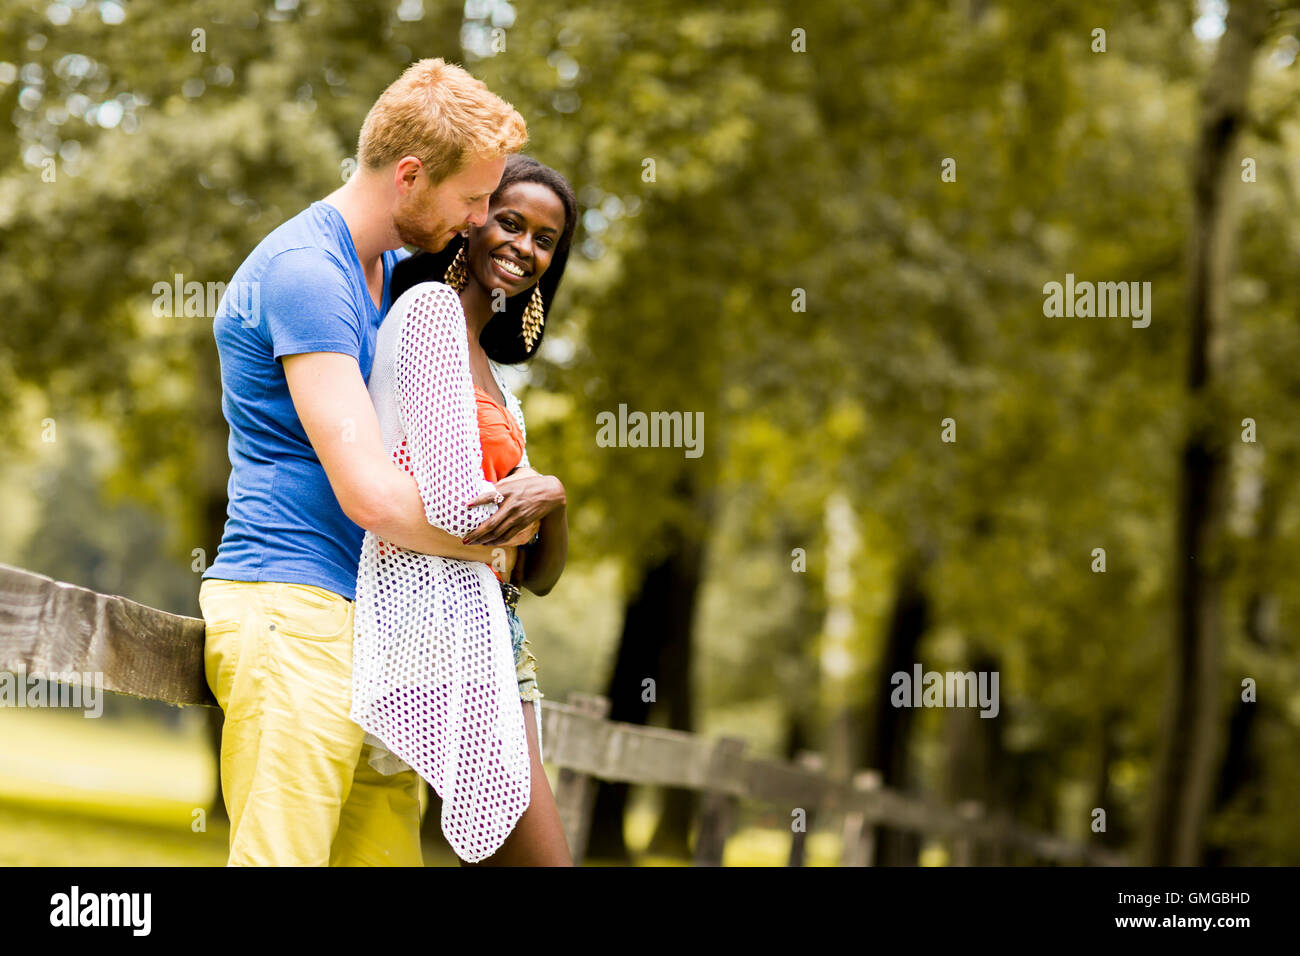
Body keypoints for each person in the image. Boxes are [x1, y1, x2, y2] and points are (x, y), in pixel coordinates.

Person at [197, 58, 528, 866]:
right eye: (474, 199)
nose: (483, 220)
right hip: (296, 609)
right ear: (410, 175)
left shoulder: (384, 276)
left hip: (377, 627)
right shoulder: (310, 274)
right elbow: (372, 495)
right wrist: (491, 549)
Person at [353, 154, 576, 866]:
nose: (525, 248)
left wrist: (555, 500)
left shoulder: (498, 379)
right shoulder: (427, 316)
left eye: (545, 239)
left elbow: (539, 576)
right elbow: (460, 511)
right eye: (509, 222)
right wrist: (526, 511)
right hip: (439, 635)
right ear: (471, 222)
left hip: (501, 639)